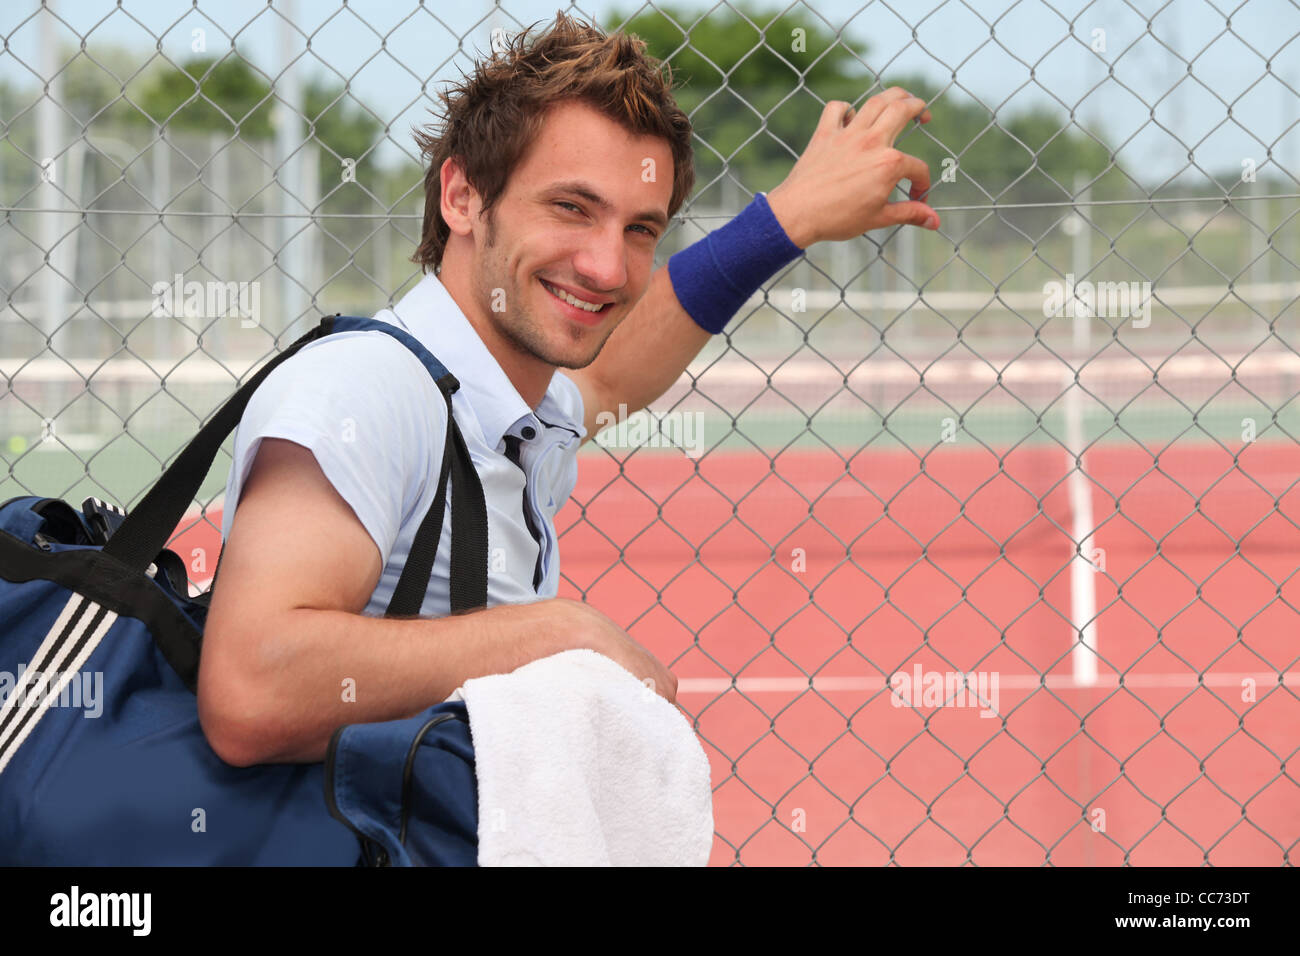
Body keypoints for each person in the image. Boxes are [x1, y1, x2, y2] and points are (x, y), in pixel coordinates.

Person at [198, 12, 937, 767]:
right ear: (462, 196)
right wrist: (554, 636)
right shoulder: (367, 389)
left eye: (640, 229)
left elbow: (613, 373)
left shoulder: (511, 401)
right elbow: (251, 690)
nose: (607, 268)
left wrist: (788, 220)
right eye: (570, 208)